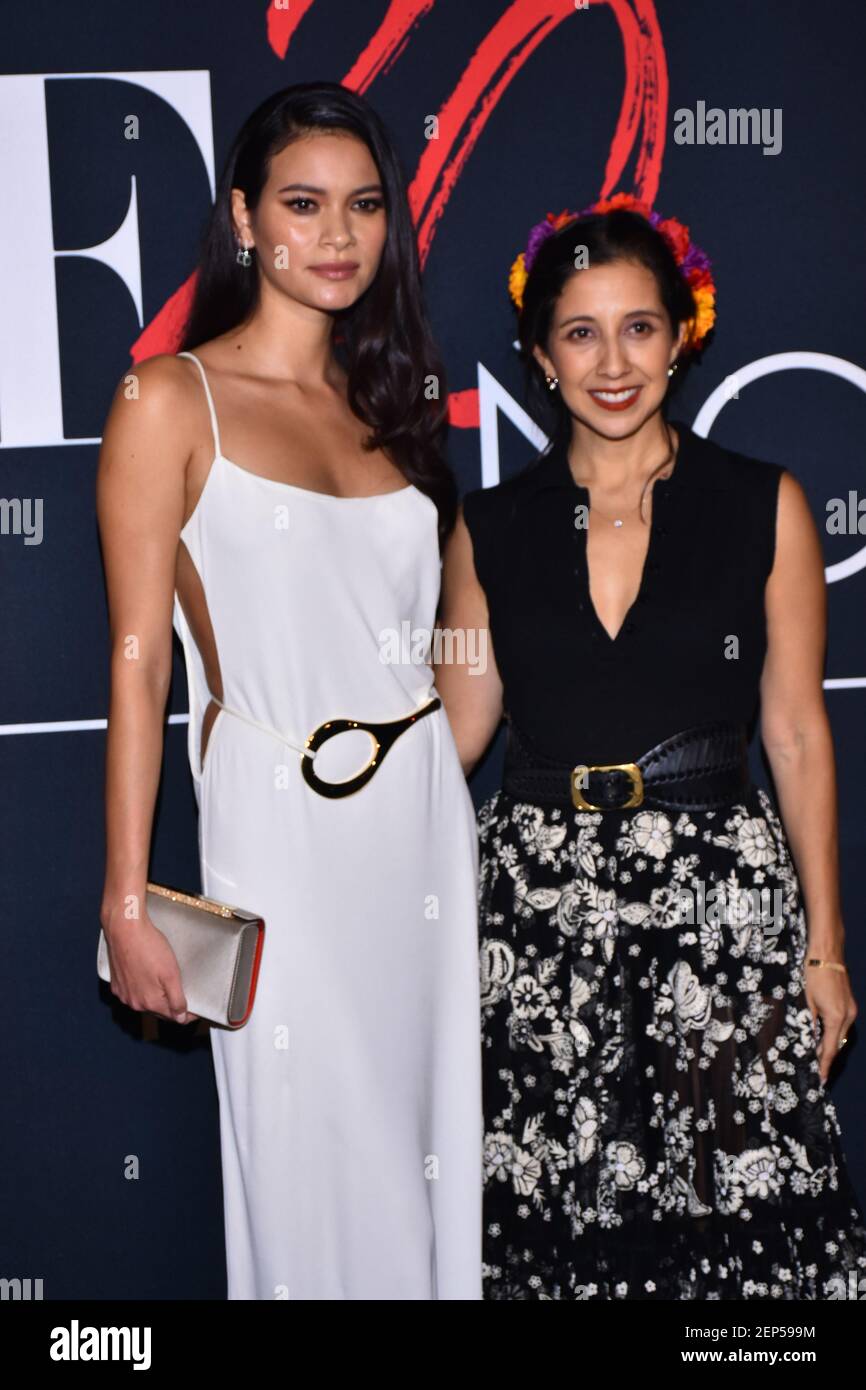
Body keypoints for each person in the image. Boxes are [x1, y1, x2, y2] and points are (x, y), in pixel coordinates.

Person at [434, 195, 866, 1299]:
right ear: (541, 356)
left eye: (638, 327)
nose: (613, 362)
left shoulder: (762, 504)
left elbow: (795, 732)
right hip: (539, 919)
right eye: (580, 333)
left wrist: (823, 948)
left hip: (719, 905)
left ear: (682, 336)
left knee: (736, 1224)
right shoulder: (487, 528)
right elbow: (448, 738)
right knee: (561, 1212)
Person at [96, 82, 482, 1301]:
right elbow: (139, 662)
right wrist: (125, 900)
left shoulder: (394, 407)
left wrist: (433, 764)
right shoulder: (169, 400)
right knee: (313, 1163)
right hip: (277, 823)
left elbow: (448, 643)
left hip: (418, 833)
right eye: (303, 204)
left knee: (426, 1160)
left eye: (363, 205)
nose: (336, 234)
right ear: (243, 218)